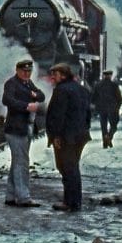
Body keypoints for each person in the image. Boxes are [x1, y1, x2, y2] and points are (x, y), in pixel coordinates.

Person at [45, 63, 92, 212]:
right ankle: (74, 200)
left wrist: (56, 135)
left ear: (63, 75)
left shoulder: (61, 91)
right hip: (80, 135)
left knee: (66, 168)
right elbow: (88, 114)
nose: (53, 77)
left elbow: (59, 115)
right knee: (73, 167)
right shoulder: (82, 89)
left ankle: (70, 202)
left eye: (55, 74)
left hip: (66, 137)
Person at [0, 59, 45, 207]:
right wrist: (26, 106)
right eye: (24, 71)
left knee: (17, 162)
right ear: (17, 70)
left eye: (29, 71)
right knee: (22, 163)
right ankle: (24, 197)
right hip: (16, 128)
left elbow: (41, 95)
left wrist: (35, 95)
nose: (27, 74)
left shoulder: (28, 84)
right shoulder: (12, 84)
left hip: (25, 127)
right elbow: (7, 100)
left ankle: (11, 196)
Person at [91, 70, 122, 148]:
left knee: (103, 126)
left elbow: (93, 97)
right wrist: (118, 107)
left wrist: (96, 106)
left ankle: (105, 142)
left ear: (104, 75)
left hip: (101, 109)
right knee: (114, 125)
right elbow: (119, 98)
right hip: (112, 109)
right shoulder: (114, 85)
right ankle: (109, 137)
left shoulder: (98, 85)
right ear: (110, 75)